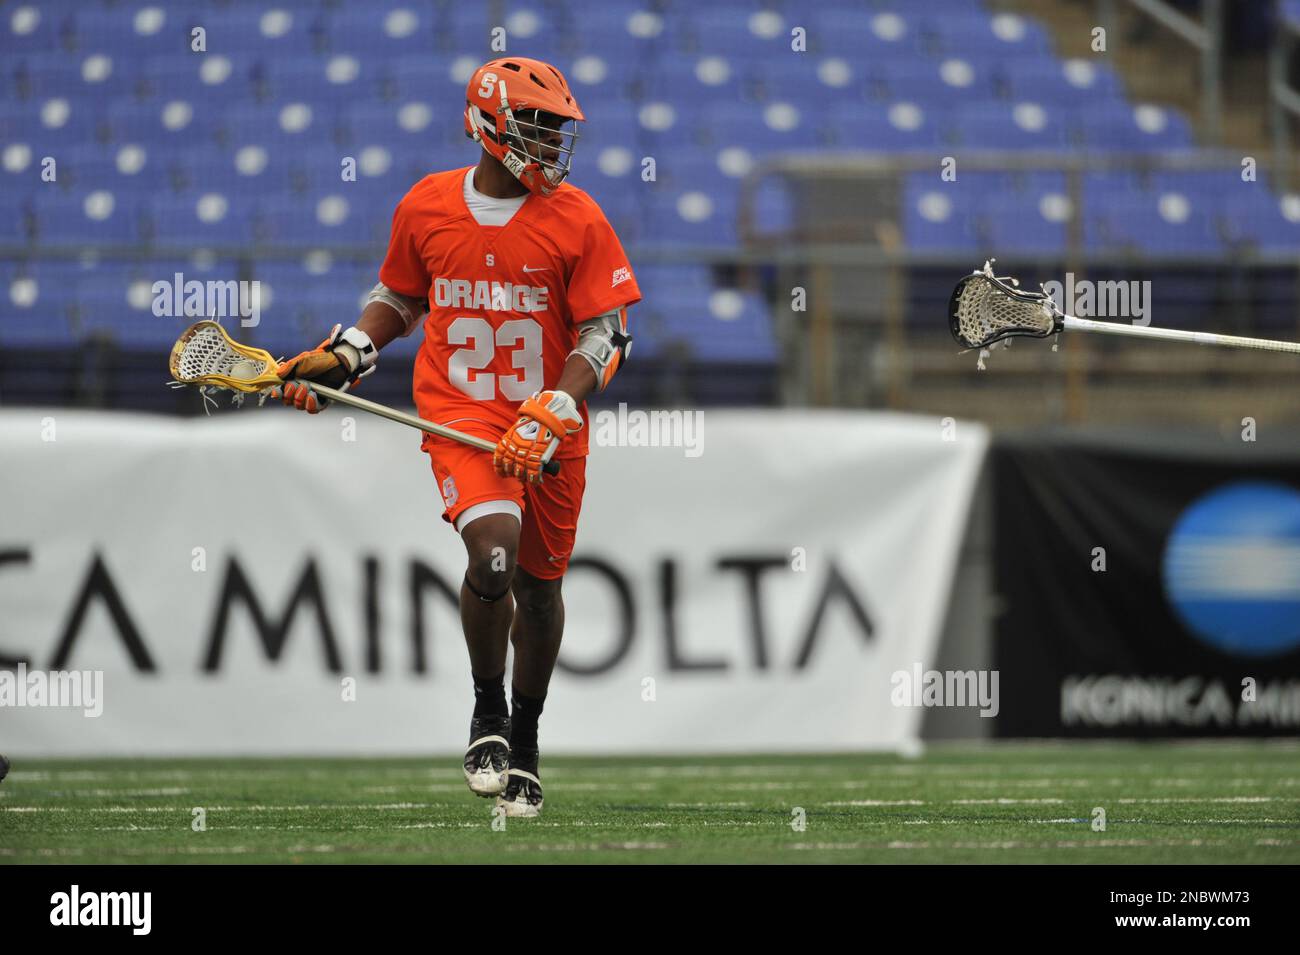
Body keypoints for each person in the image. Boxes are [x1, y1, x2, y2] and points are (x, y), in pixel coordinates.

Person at [273, 57, 639, 817]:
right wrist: (346, 355)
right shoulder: (429, 204)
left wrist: (554, 408)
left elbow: (606, 335)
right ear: (492, 123)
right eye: (539, 128)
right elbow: (401, 298)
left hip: (551, 421)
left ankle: (528, 744)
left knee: (541, 593)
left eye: (556, 131)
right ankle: (487, 713)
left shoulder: (579, 217)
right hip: (462, 414)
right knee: (494, 552)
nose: (551, 146)